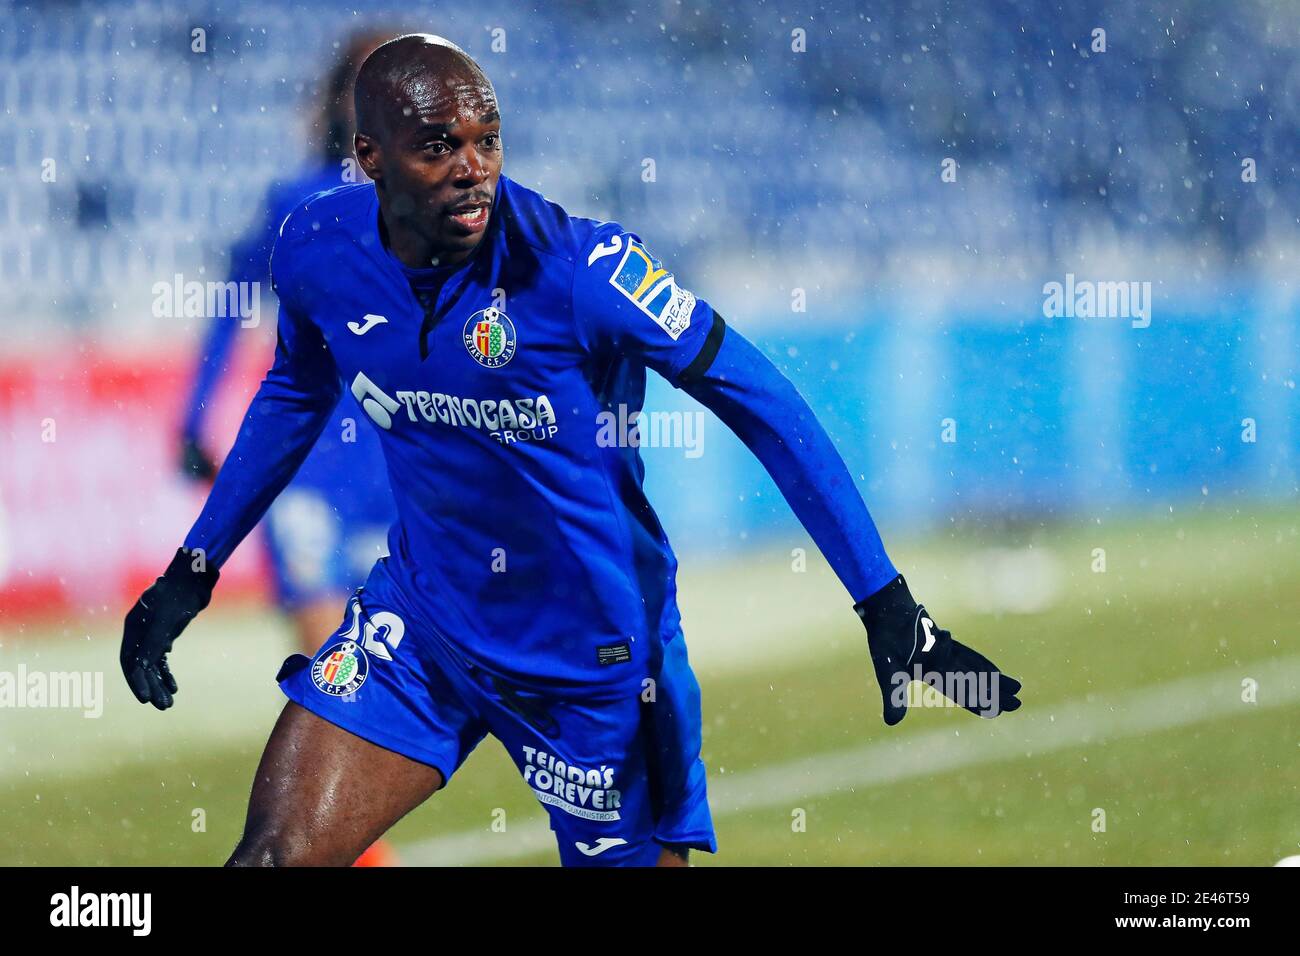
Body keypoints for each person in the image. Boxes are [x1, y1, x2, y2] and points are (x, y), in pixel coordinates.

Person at [121, 33, 1021, 868]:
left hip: (595, 670)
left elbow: (765, 402)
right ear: (369, 160)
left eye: (489, 139)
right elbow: (294, 393)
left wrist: (887, 605)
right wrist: (190, 573)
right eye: (439, 146)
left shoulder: (581, 269)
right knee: (273, 859)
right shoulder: (316, 246)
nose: (474, 170)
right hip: (423, 628)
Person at [176, 31, 399, 867]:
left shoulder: (436, 210)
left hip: (395, 471)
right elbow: (232, 301)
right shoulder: (296, 203)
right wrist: (192, 419)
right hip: (308, 468)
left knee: (385, 680)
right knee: (327, 667)